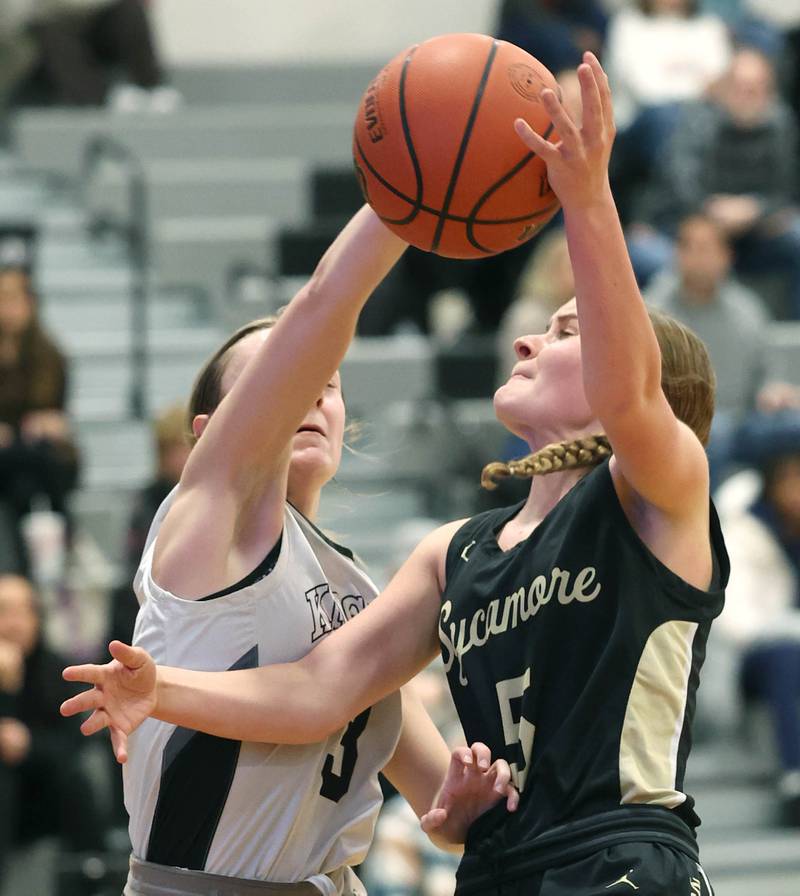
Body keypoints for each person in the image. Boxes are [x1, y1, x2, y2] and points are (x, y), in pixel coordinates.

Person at [63, 54, 727, 894]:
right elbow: (317, 689)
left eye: (564, 332)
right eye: (282, 386)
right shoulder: (449, 553)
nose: (528, 339)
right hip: (490, 874)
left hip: (618, 858)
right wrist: (164, 690)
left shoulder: (653, 495)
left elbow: (630, 396)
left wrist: (587, 198)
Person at [73, 205, 517, 895]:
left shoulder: (358, 594)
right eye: (276, 384)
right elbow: (321, 309)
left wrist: (463, 804)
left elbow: (438, 811)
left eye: (330, 385)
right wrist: (403, 199)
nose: (310, 391)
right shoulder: (203, 530)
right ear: (208, 433)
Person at [646, 212, 800, 487]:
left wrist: (773, 389)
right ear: (677, 254)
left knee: (793, 424)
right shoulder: (653, 310)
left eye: (706, 248)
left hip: (744, 422)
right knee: (715, 434)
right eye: (688, 247)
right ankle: (706, 523)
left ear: (726, 256)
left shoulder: (747, 308)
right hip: (678, 426)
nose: (697, 257)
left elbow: (768, 372)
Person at [0, 573, 104, 885]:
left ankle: (91, 875)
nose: (15, 622)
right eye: (4, 611)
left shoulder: (56, 670)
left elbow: (72, 744)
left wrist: (28, 746)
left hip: (42, 801)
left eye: (24, 611)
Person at [715, 447, 800, 827]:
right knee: (787, 656)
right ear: (772, 484)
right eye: (793, 479)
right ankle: (795, 777)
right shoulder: (742, 530)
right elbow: (734, 618)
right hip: (754, 658)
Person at [0, 265, 79, 578]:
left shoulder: (49, 354)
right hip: (10, 455)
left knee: (34, 464)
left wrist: (50, 423)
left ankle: (33, 567)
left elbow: (52, 413)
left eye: (10, 298)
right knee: (23, 470)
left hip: (34, 453)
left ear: (28, 303)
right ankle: (52, 556)